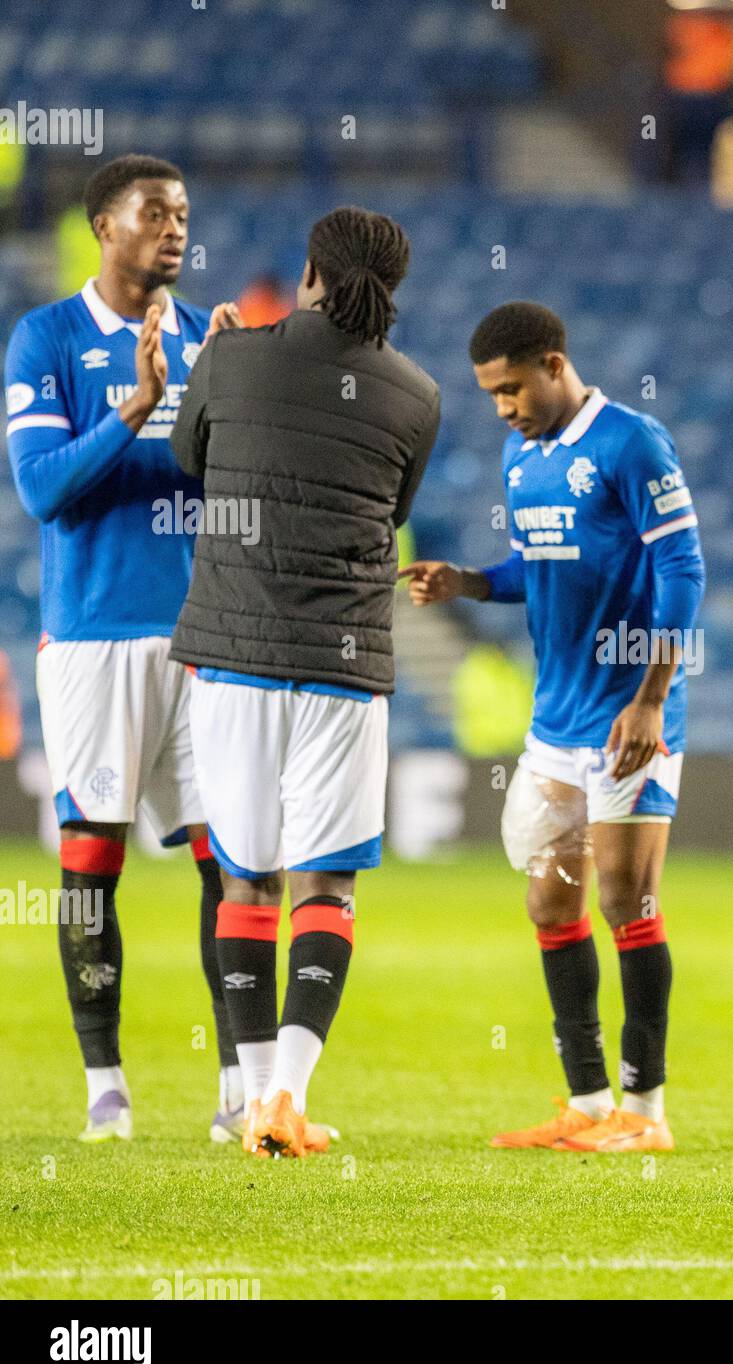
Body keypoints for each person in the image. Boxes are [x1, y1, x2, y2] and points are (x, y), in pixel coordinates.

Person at [168, 206, 440, 1157]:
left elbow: (189, 460)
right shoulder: (416, 393)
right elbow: (394, 506)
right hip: (345, 660)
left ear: (310, 272)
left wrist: (215, 365)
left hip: (233, 657)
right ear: (393, 288)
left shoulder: (233, 354)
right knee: (328, 881)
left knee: (246, 875)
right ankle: (286, 1098)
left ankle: (247, 1103)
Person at [401, 301, 704, 1153]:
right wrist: (467, 582)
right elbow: (536, 567)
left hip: (629, 721)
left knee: (626, 900)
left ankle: (645, 1115)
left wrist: (651, 697)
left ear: (553, 362)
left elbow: (684, 565)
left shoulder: (632, 441)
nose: (504, 408)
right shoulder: (520, 454)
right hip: (555, 725)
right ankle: (586, 1101)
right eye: (492, 396)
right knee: (549, 902)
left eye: (512, 389)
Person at [5, 153, 244, 1143]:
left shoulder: (204, 338)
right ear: (106, 226)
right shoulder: (47, 338)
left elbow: (231, 491)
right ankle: (106, 1083)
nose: (175, 229)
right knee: (93, 860)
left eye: (184, 213)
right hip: (97, 639)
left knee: (229, 863)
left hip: (200, 639)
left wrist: (244, 396)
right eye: (155, 213)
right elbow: (43, 489)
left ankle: (241, 1084)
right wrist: (136, 407)